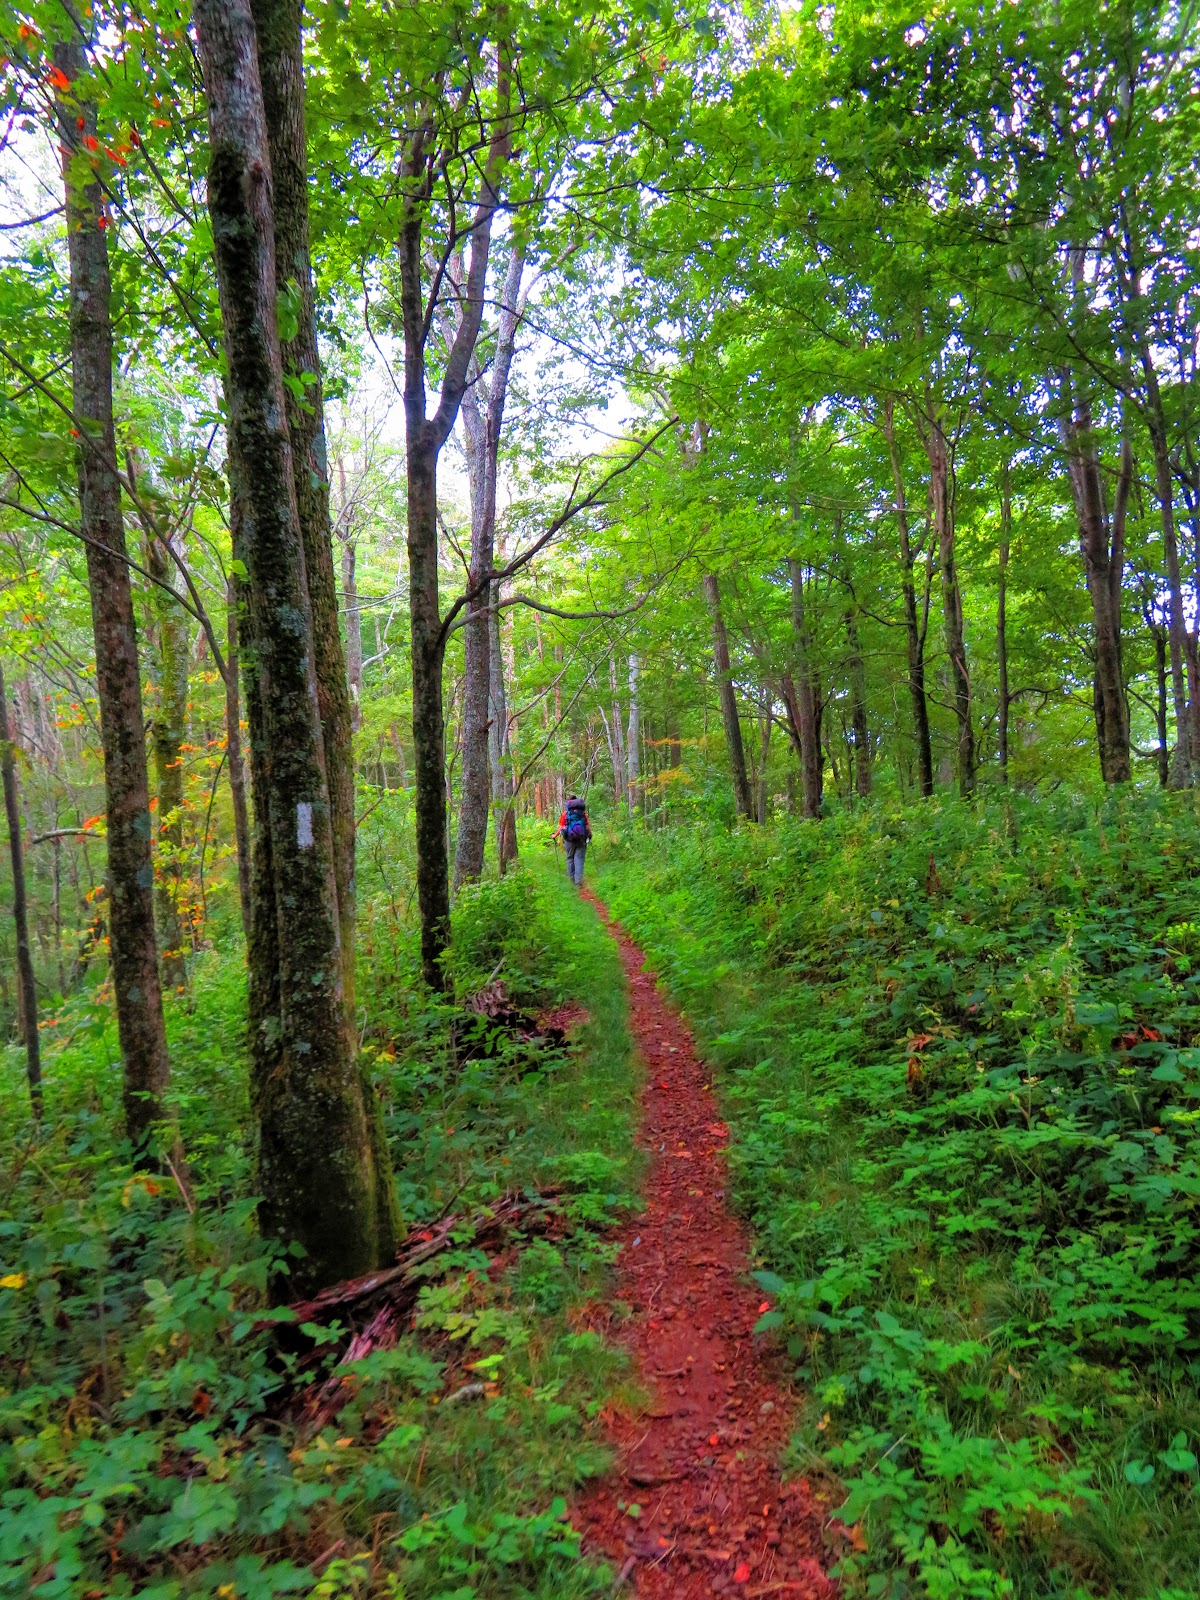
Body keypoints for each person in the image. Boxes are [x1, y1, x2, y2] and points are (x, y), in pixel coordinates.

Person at [558, 795, 592, 886]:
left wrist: (555, 835)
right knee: (579, 859)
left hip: (569, 839)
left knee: (570, 858)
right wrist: (589, 835)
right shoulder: (583, 814)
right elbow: (587, 827)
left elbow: (561, 827)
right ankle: (578, 881)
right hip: (581, 839)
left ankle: (571, 880)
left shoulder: (566, 814)